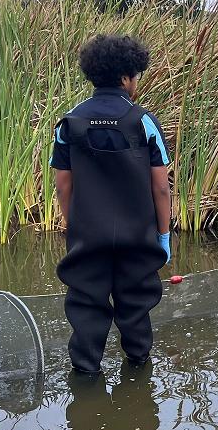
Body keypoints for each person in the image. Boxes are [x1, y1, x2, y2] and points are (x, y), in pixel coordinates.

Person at [51, 34, 172, 374]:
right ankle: (138, 368)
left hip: (88, 235)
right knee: (136, 303)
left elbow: (62, 185)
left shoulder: (69, 123)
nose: (137, 82)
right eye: (136, 75)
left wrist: (74, 225)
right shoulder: (144, 122)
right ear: (124, 78)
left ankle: (86, 372)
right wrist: (163, 235)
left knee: (86, 304)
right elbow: (161, 187)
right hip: (137, 236)